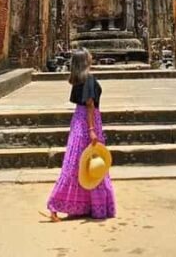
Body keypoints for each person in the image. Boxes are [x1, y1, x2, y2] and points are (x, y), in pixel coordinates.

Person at [44, 48, 116, 221]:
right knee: (89, 164)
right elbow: (90, 104)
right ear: (85, 60)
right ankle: (56, 204)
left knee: (79, 165)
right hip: (88, 123)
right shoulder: (89, 79)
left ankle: (83, 205)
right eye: (89, 55)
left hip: (79, 120)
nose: (92, 56)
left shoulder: (78, 80)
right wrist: (91, 130)